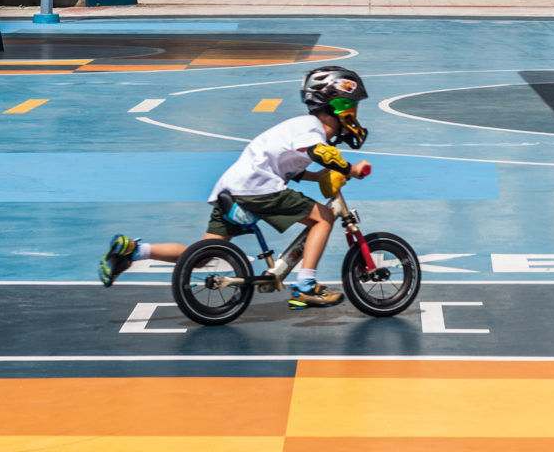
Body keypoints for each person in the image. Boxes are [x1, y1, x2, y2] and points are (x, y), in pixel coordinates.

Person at [98, 65, 372, 309]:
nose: (356, 115)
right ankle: (306, 286)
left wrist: (319, 177)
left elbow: (291, 167)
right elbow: (319, 153)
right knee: (323, 218)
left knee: (204, 254)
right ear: (339, 106)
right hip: (257, 188)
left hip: (234, 188)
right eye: (354, 106)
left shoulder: (298, 129)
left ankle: (133, 250)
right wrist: (349, 169)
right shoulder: (311, 128)